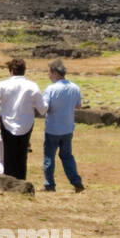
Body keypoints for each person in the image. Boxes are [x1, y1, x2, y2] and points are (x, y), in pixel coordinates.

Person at [0, 58, 45, 180]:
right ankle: (21, 181)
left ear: (11, 71)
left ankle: (9, 181)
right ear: (24, 71)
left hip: (7, 123)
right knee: (22, 155)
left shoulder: (4, 84)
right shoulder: (32, 86)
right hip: (26, 124)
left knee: (8, 155)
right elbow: (42, 108)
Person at [41, 59, 85, 193]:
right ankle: (76, 182)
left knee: (49, 157)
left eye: (49, 72)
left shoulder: (51, 89)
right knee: (67, 156)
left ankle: (49, 184)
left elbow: (45, 108)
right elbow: (78, 105)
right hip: (67, 128)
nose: (48, 75)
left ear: (54, 73)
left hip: (53, 128)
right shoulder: (74, 87)